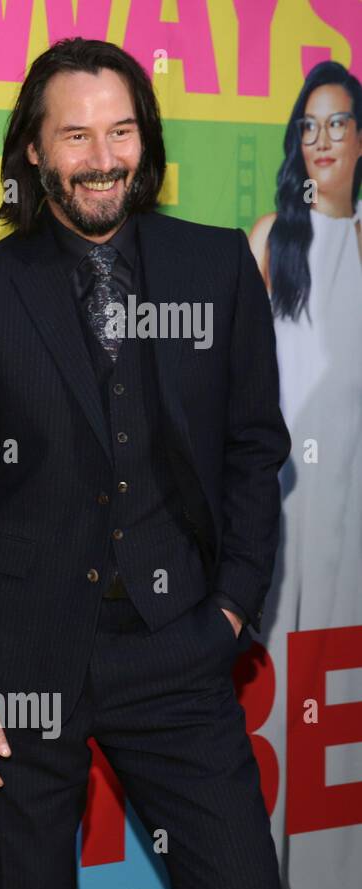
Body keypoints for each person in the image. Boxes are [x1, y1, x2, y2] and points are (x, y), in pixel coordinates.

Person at [0, 39, 290, 889]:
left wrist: (232, 607)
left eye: (121, 132)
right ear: (35, 150)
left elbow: (255, 449)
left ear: (146, 141)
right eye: (77, 137)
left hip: (180, 646)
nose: (102, 159)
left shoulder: (215, 266)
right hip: (23, 663)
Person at [248, 61, 362, 637]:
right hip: (281, 487)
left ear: (361, 138)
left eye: (338, 124)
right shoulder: (271, 238)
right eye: (309, 126)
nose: (322, 140)